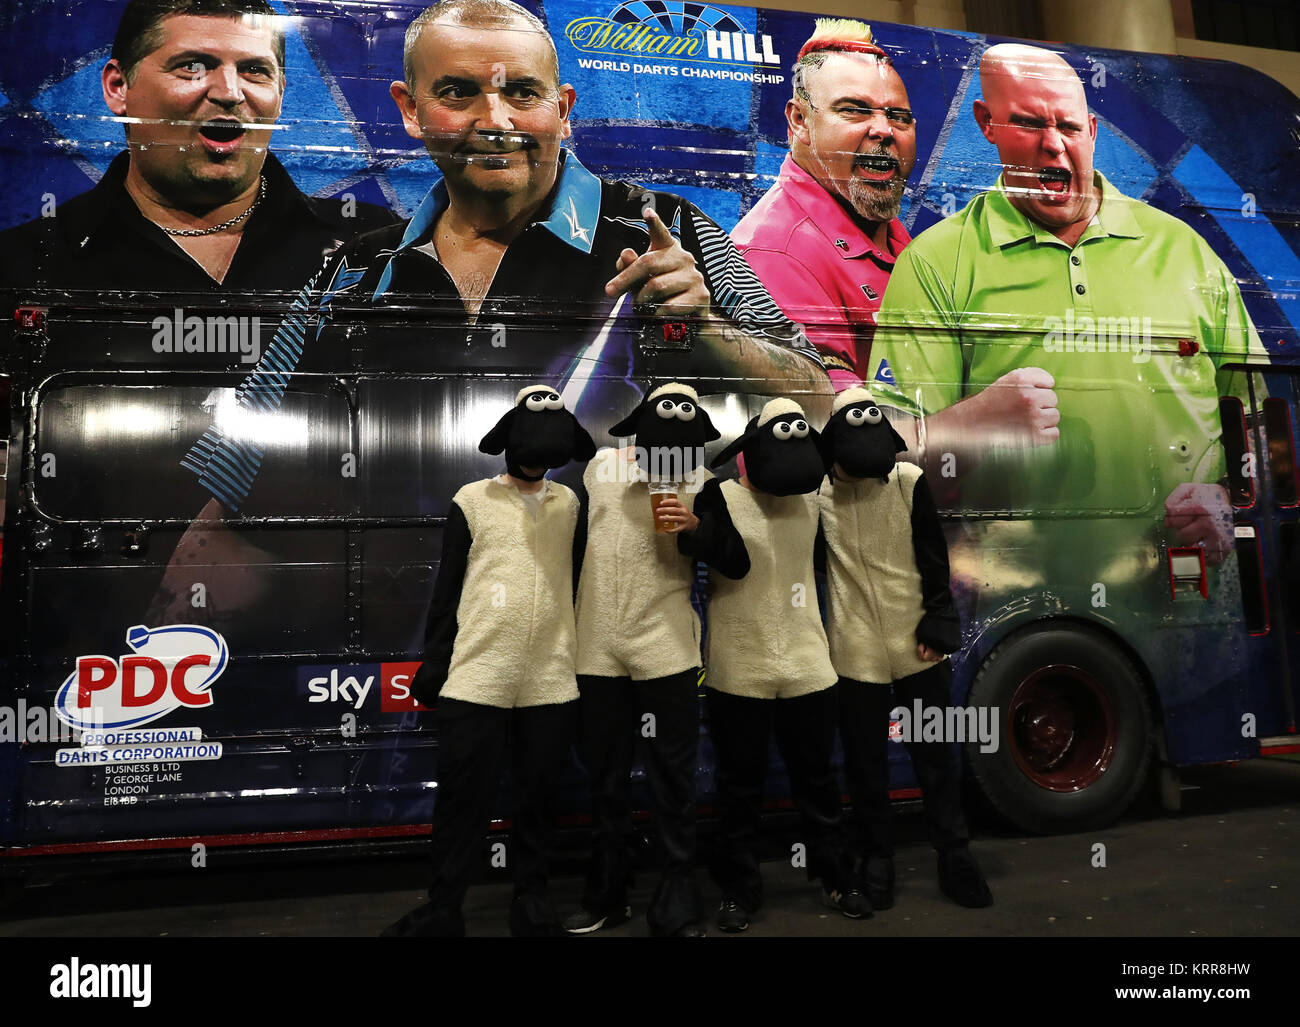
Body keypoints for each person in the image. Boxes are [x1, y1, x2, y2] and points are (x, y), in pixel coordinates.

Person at [159, 0, 828, 637]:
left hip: (620, 669)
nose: (495, 118)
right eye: (457, 93)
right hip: (417, 670)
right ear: (410, 109)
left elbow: (818, 399)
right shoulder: (352, 273)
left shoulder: (672, 232)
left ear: (563, 111)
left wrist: (707, 327)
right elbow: (226, 486)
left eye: (522, 94)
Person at [863, 43, 1269, 624]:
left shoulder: (1183, 252)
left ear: (1094, 129)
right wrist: (975, 423)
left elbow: (1260, 415)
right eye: (1029, 123)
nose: (1054, 144)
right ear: (988, 124)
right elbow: (886, 456)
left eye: (1069, 126)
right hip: (1016, 624)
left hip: (1193, 613)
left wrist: (1231, 500)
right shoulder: (937, 264)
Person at [0, 0, 395, 310]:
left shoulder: (372, 248)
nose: (229, 92)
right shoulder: (22, 264)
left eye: (254, 70)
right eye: (193, 66)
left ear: (281, 93)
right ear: (119, 87)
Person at [382, 384, 595, 938]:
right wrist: (437, 661)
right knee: (462, 800)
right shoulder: (472, 499)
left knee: (539, 798)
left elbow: (575, 583)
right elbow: (447, 590)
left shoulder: (568, 503)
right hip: (478, 675)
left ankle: (532, 898)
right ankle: (444, 906)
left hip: (550, 676)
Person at [566, 382, 750, 938]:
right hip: (597, 646)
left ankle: (677, 893)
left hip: (667, 647)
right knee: (606, 779)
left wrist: (697, 529)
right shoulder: (601, 471)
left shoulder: (703, 485)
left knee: (674, 780)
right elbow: (574, 554)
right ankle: (609, 890)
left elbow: (737, 562)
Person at [817, 387, 992, 910]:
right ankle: (877, 855)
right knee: (865, 761)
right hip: (854, 644)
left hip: (916, 639)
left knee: (934, 754)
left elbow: (933, 557)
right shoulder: (818, 495)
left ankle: (954, 853)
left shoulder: (908, 481)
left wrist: (938, 620)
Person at [703, 397, 867, 932]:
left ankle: (838, 876)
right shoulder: (718, 495)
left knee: (819, 782)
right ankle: (738, 890)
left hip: (807, 662)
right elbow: (724, 558)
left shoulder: (812, 501)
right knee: (739, 789)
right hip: (738, 665)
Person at [732, 19, 916, 391]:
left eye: (898, 116)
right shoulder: (774, 253)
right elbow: (841, 428)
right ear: (800, 120)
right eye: (854, 110)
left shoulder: (884, 229)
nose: (884, 130)